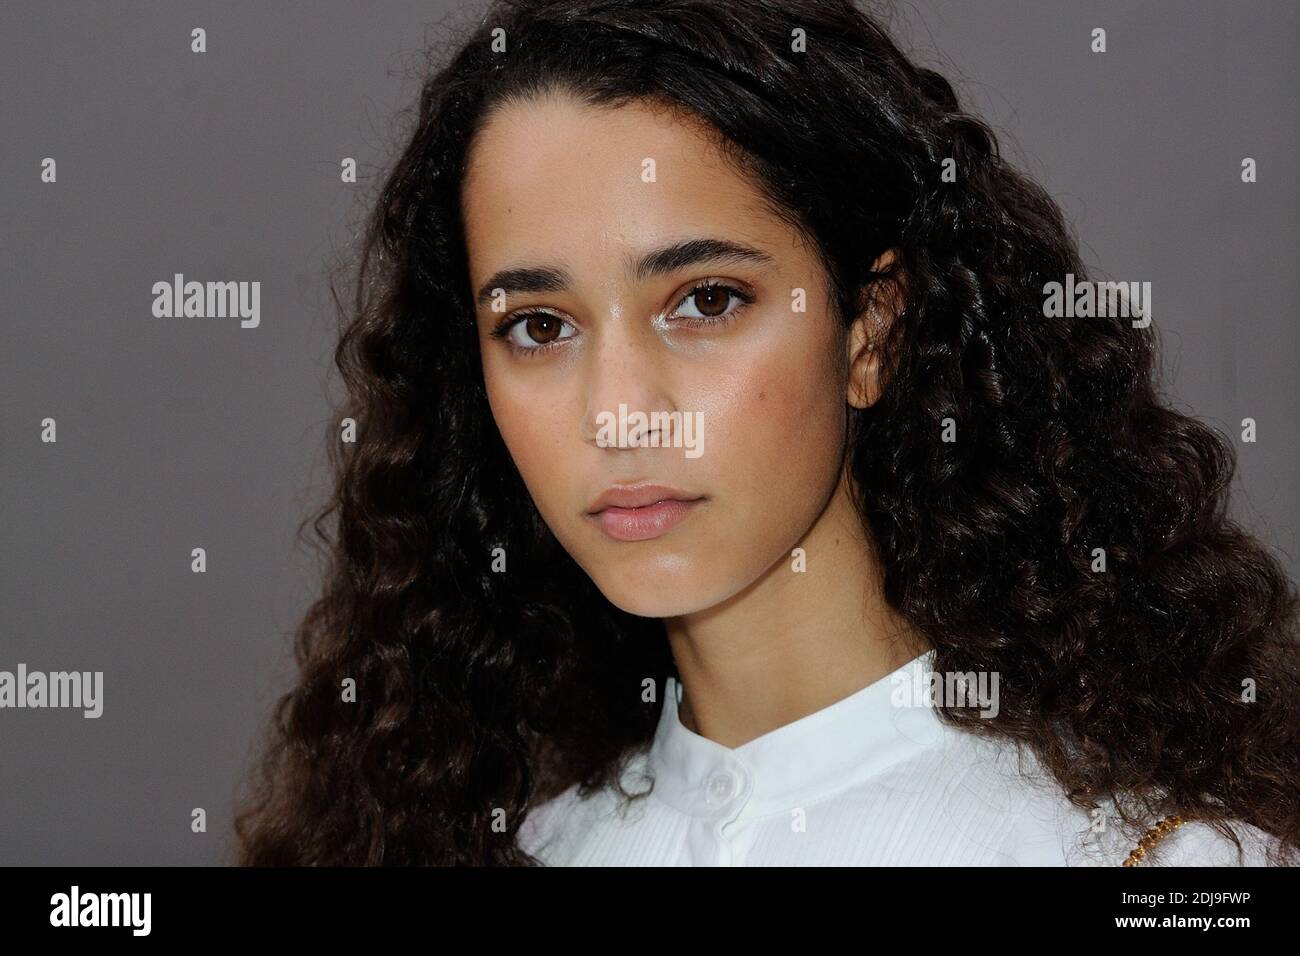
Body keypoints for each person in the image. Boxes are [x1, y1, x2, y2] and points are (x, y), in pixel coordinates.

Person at [232, 0, 1299, 866]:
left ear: (869, 330)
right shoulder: (517, 846)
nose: (618, 409)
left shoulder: (1157, 863)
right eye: (538, 325)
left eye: (704, 301)